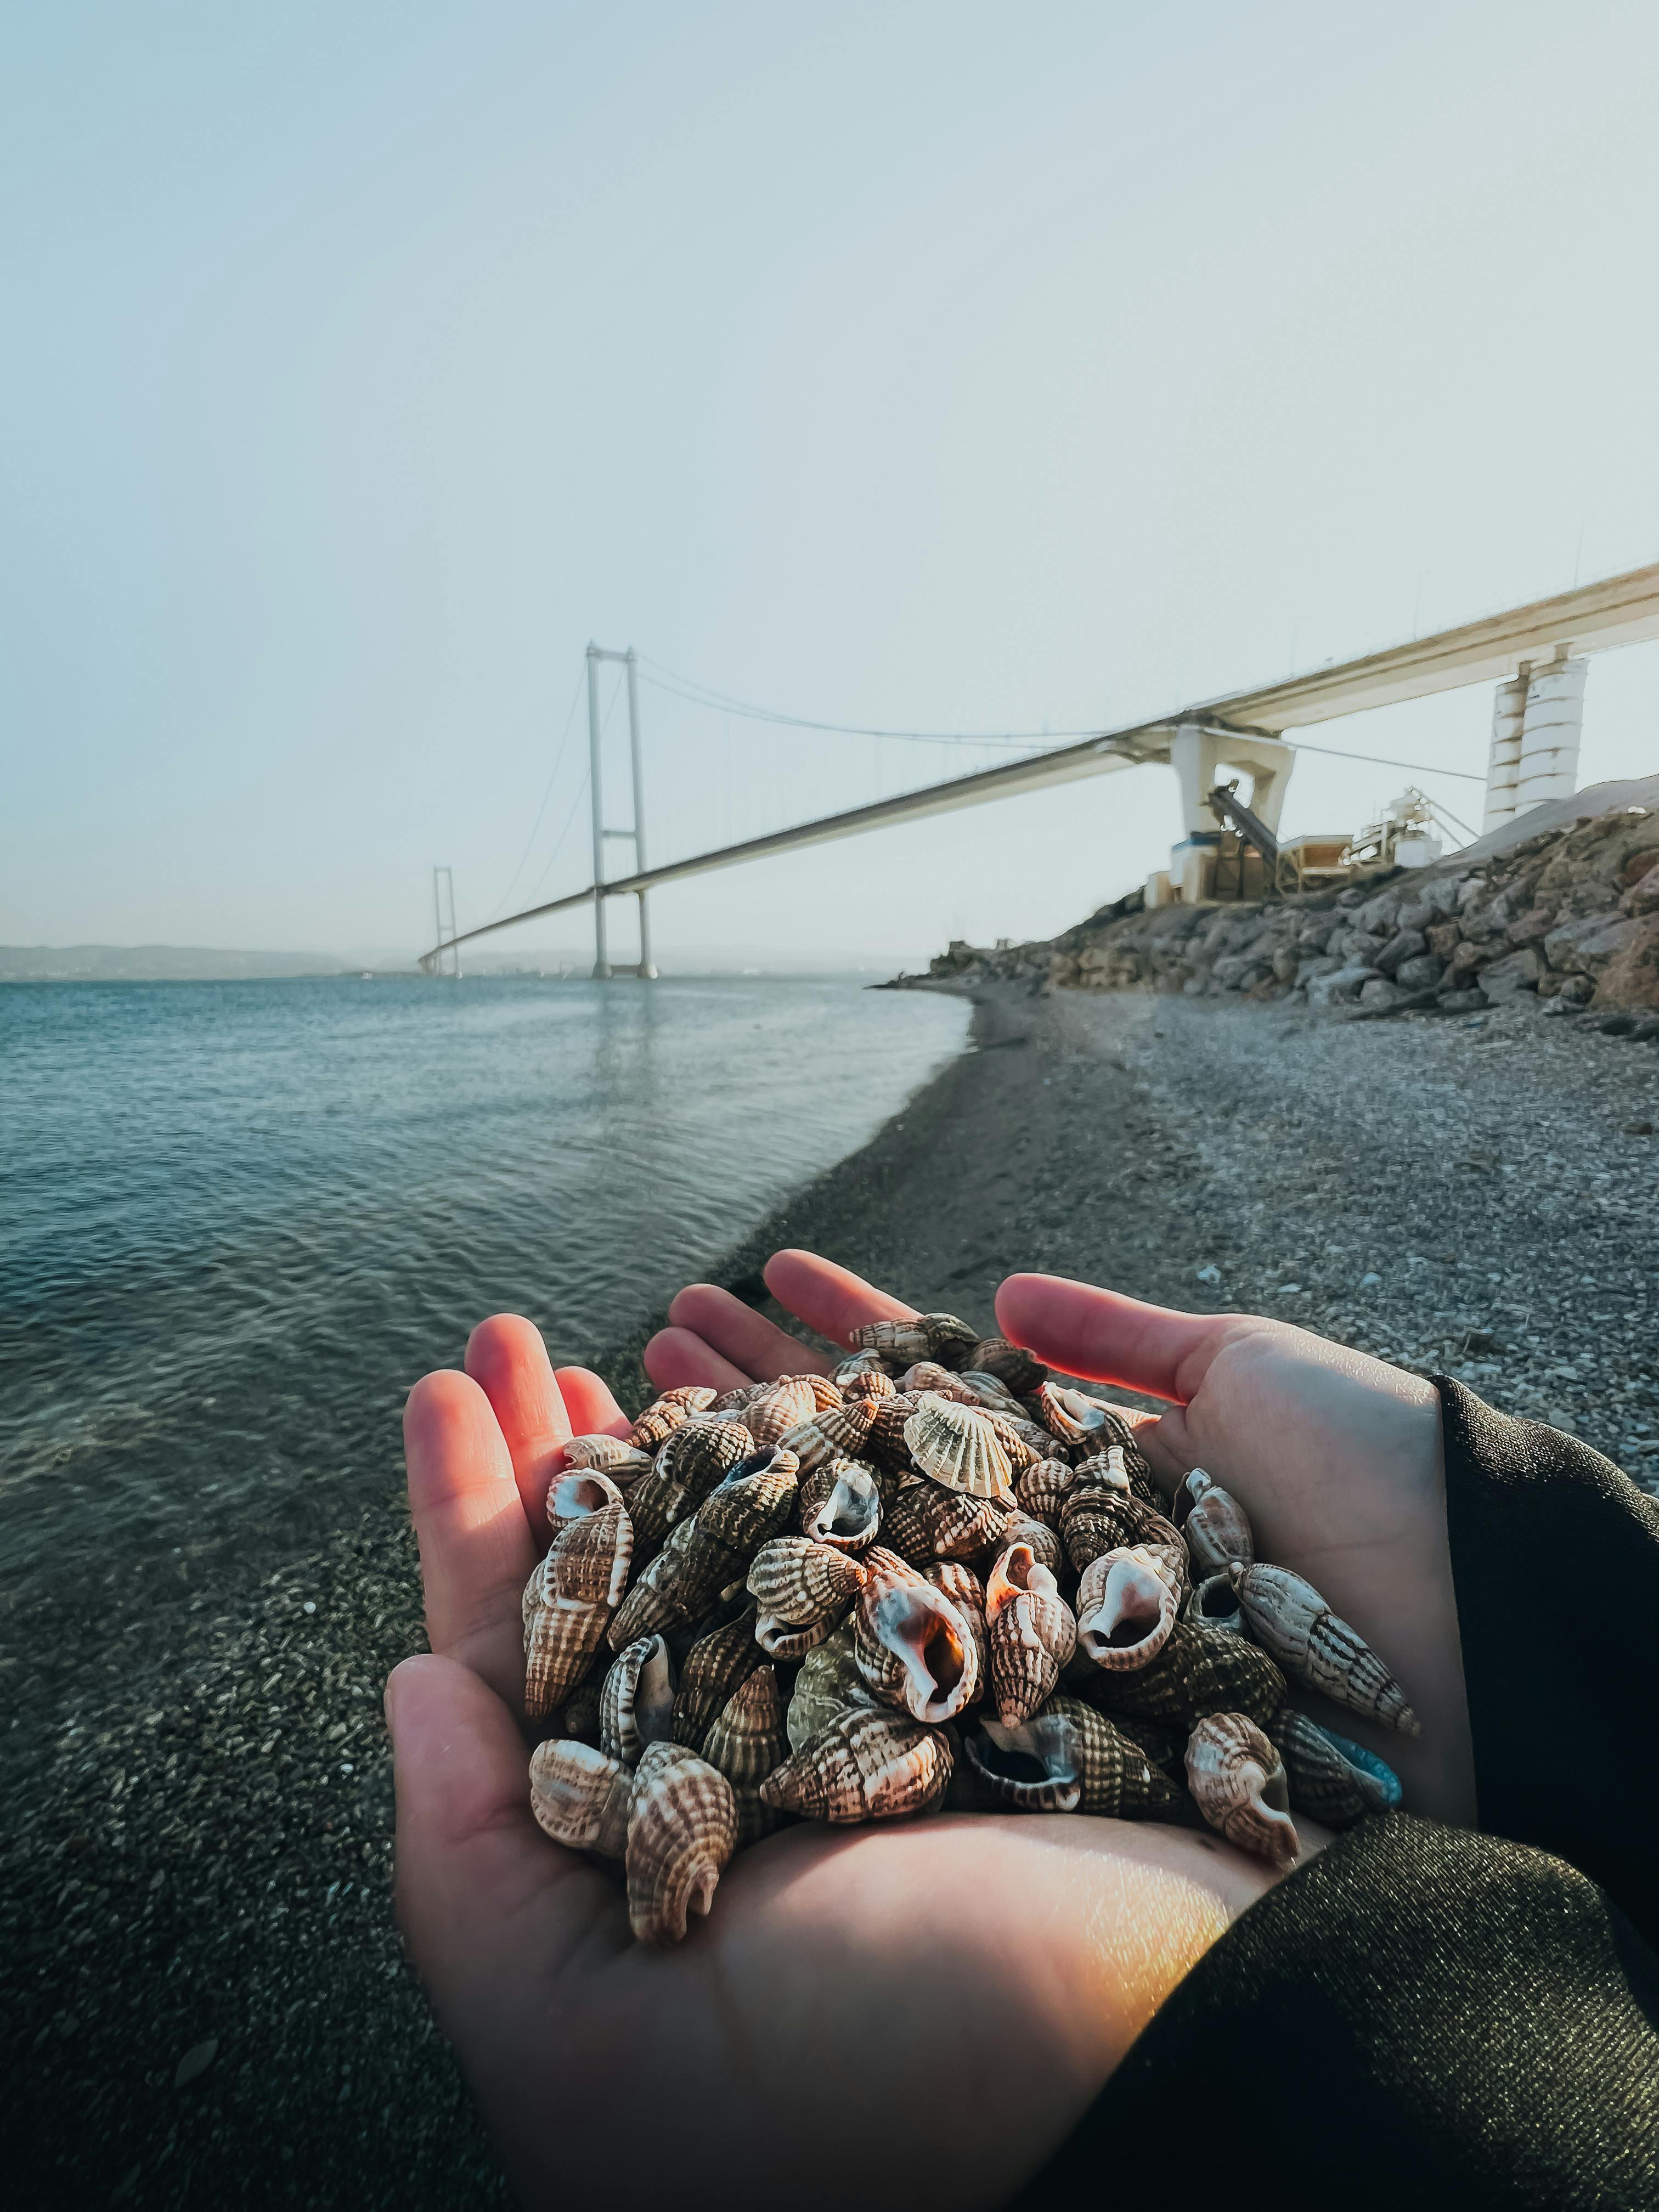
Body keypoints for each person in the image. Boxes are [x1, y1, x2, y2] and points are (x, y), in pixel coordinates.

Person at [385, 1250, 1659, 2210]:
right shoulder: (780, 1569)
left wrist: (1518, 1598)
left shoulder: (1047, 1569)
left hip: (1041, 1653)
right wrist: (1545, 1610)